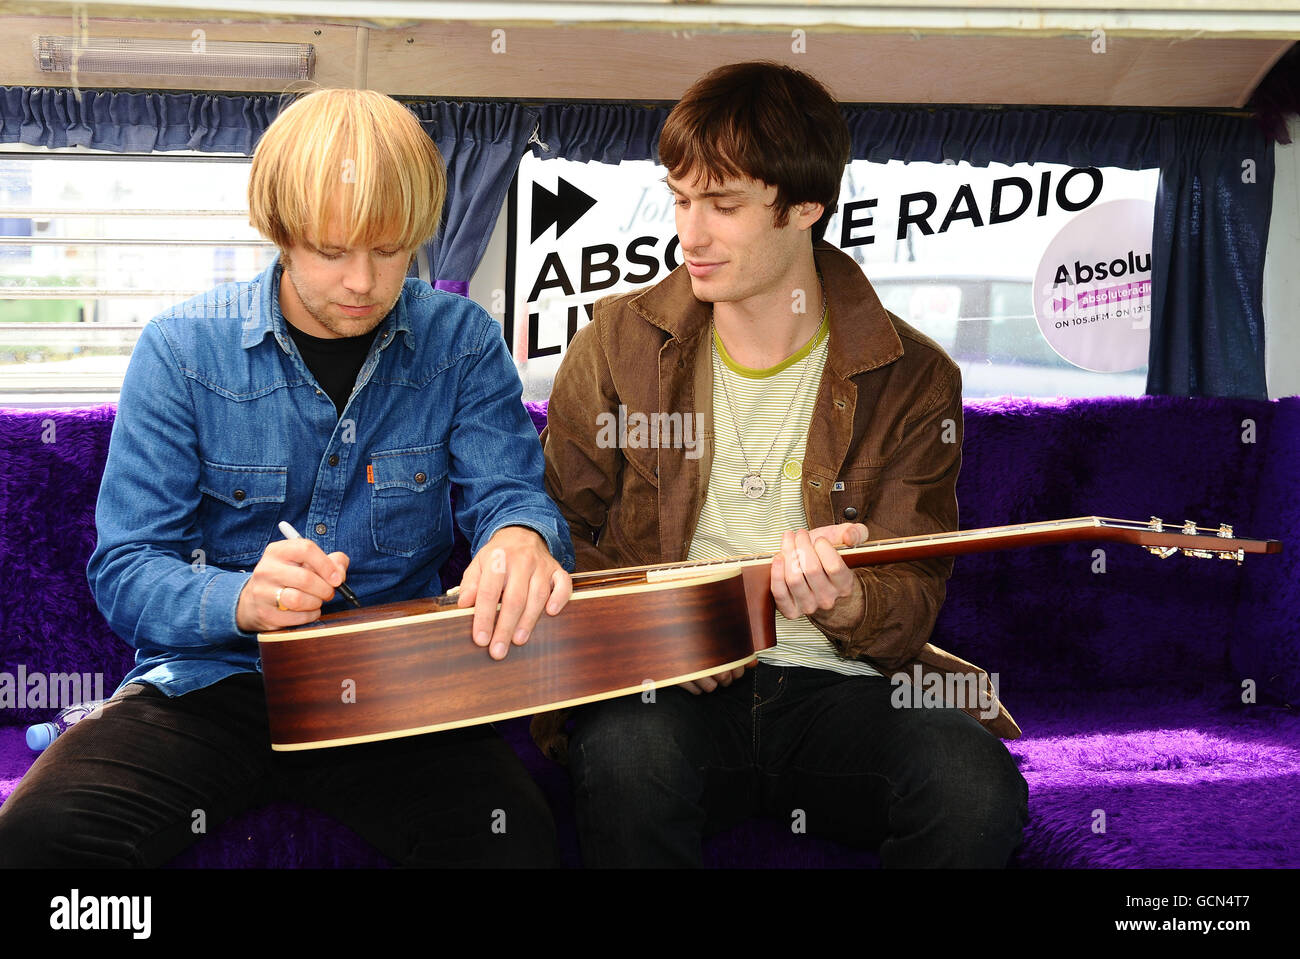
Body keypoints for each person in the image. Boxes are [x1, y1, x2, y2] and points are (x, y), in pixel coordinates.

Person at [0, 89, 573, 868]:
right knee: (38, 839)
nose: (365, 283)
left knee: (516, 844)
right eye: (333, 251)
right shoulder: (179, 350)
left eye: (392, 249)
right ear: (279, 232)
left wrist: (519, 538)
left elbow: (511, 497)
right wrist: (239, 598)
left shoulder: (464, 341)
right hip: (214, 684)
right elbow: (125, 569)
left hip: (392, 690)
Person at [537, 61, 1029, 867]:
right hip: (667, 692)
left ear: (806, 207)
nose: (689, 234)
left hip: (845, 692)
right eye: (681, 198)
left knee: (971, 783)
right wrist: (661, 636)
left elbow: (912, 601)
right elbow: (555, 533)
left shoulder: (917, 375)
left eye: (724, 205)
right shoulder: (615, 341)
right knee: (627, 759)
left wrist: (845, 602)